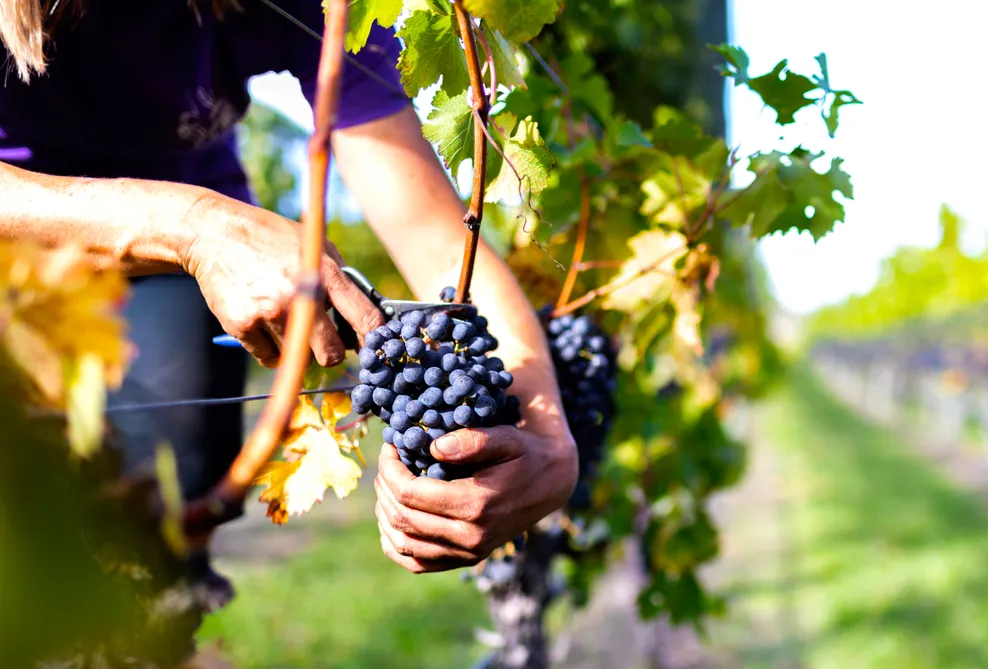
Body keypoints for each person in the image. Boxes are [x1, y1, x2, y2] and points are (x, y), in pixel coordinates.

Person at [0, 0, 580, 575]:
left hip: (177, 261)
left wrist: (546, 432)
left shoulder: (323, 5)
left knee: (166, 495)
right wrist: (194, 226)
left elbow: (434, 237)